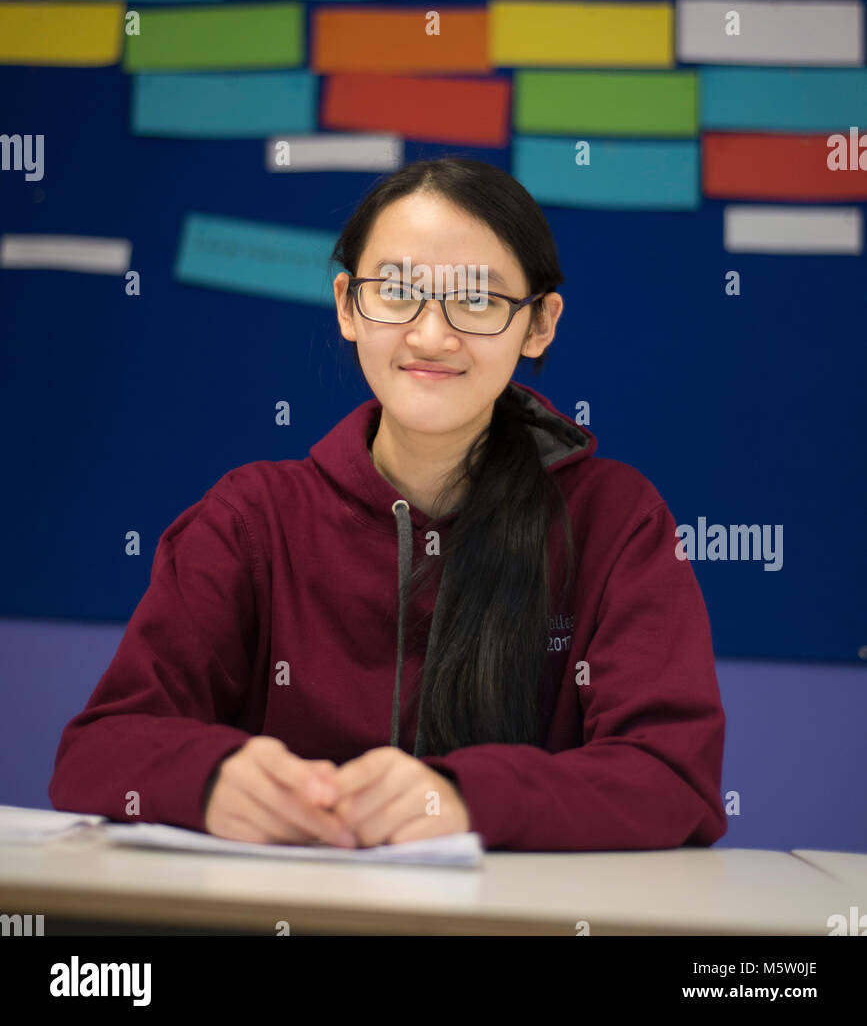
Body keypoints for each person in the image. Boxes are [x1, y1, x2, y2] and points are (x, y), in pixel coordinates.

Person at [49, 156, 727, 852]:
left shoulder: (615, 522)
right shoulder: (249, 519)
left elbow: (672, 777)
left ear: (539, 324)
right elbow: (98, 752)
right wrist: (210, 779)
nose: (430, 336)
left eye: (477, 300)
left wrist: (466, 800)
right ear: (347, 305)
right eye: (396, 291)